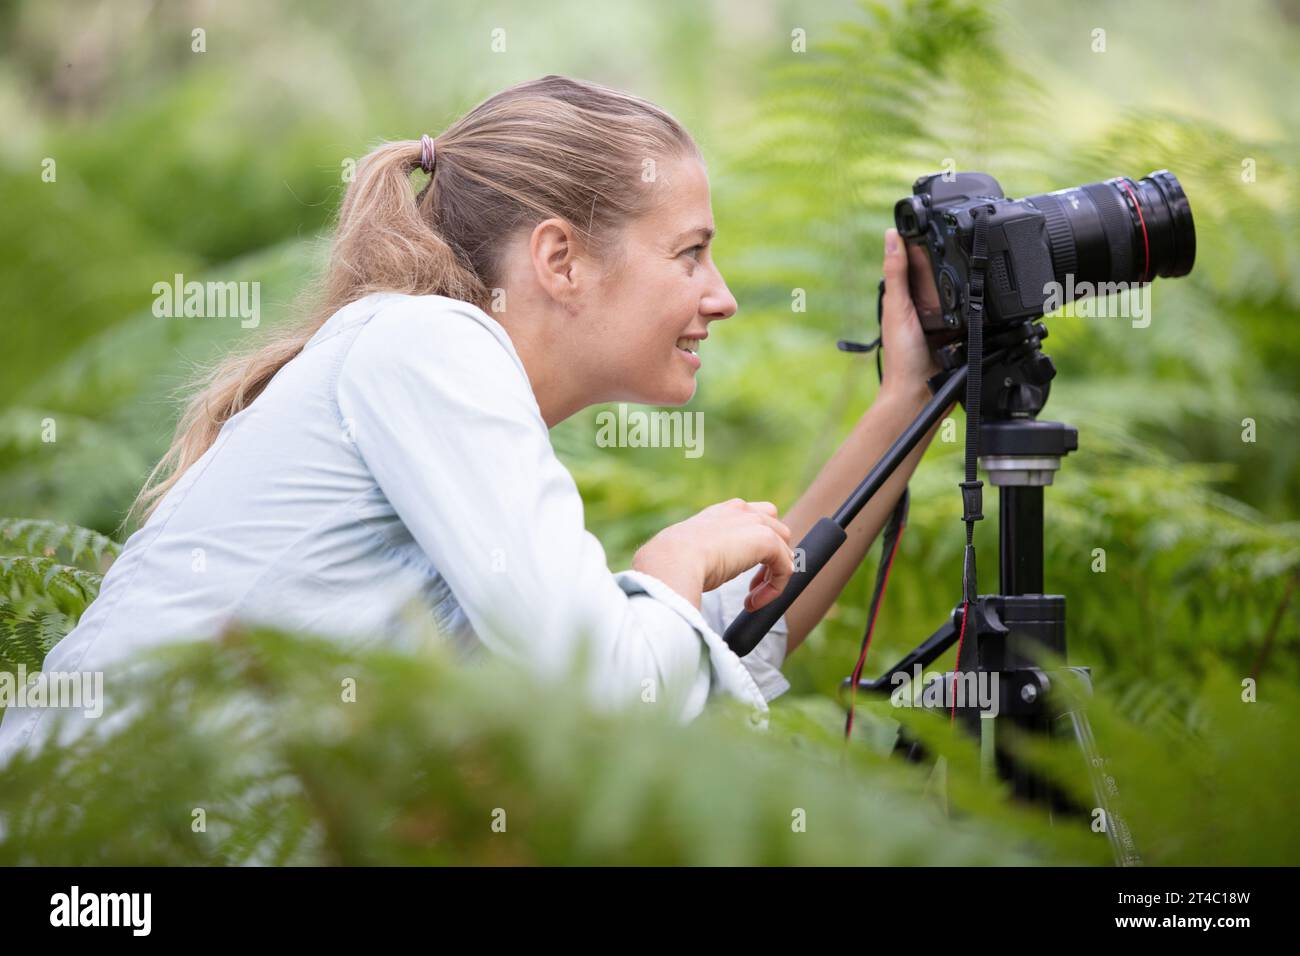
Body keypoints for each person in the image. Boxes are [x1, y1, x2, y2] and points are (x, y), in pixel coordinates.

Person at [0, 75, 940, 764]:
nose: (722, 296)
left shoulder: (436, 379)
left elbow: (711, 647)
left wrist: (912, 395)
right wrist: (671, 566)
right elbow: (610, 687)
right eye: (690, 253)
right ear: (560, 258)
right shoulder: (431, 350)